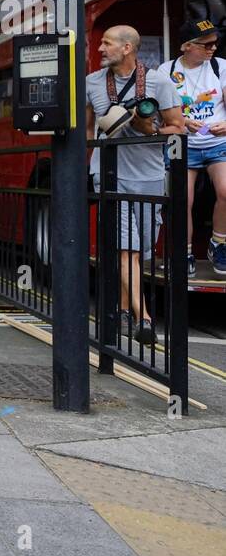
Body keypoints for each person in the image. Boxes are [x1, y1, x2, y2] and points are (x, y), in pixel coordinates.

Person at [86, 26, 184, 343]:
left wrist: (146, 128)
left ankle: (124, 310)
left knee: (139, 252)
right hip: (110, 174)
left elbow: (178, 128)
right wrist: (89, 161)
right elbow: (88, 130)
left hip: (149, 175)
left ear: (127, 48)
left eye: (106, 43)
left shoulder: (158, 82)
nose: (100, 48)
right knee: (125, 249)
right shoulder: (92, 83)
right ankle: (144, 318)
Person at [156, 0, 226, 276]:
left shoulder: (221, 66)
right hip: (181, 143)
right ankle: (182, 252)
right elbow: (161, 114)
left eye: (214, 43)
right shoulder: (167, 70)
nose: (213, 48)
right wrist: (183, 120)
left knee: (225, 191)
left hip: (218, 142)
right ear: (187, 46)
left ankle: (219, 244)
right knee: (181, 200)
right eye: (206, 44)